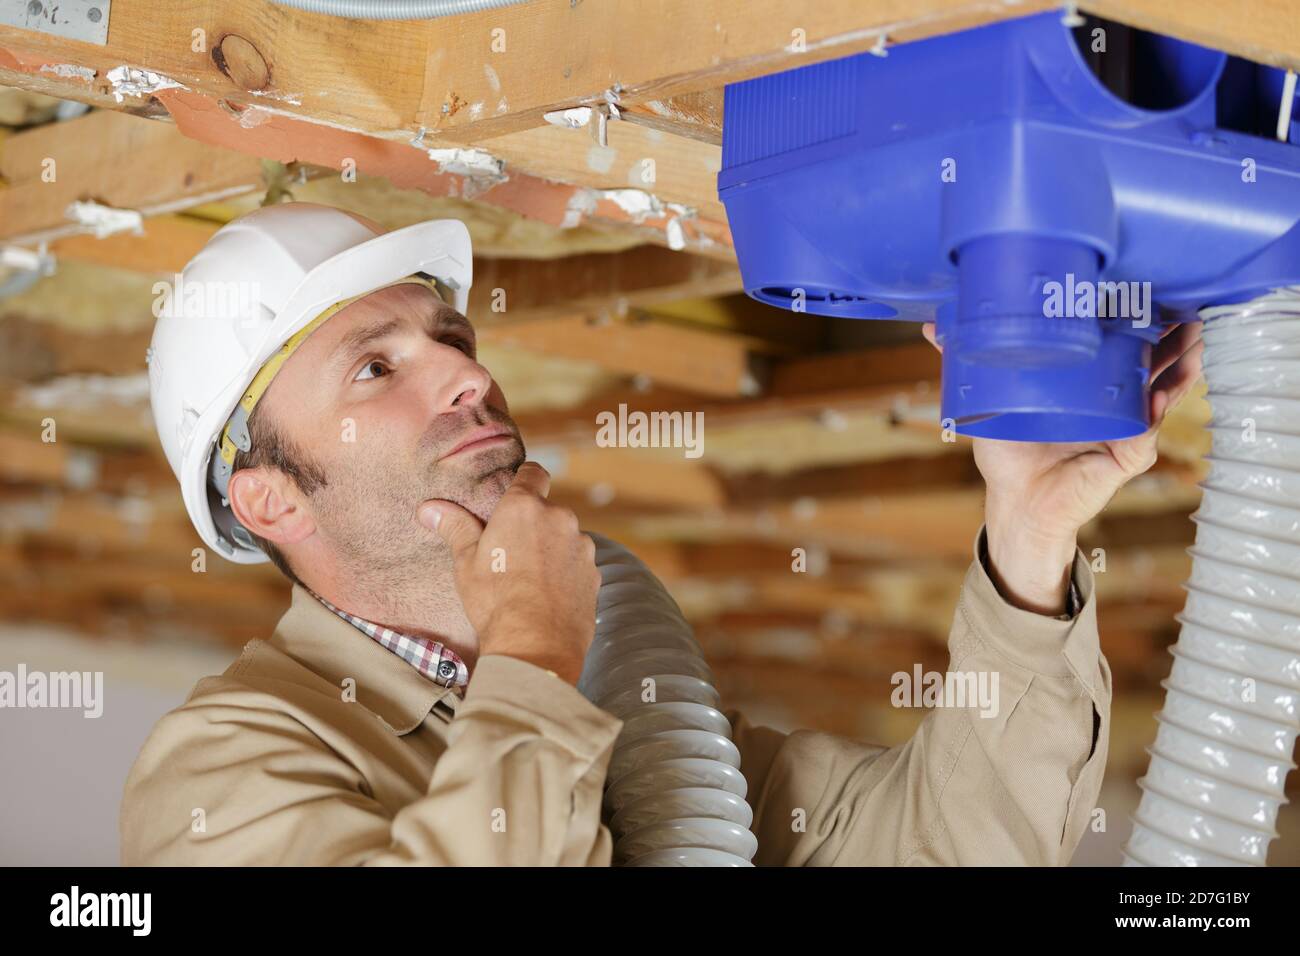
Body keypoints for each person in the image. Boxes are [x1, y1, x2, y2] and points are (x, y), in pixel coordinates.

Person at [121, 202, 1203, 865]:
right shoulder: (223, 771)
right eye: (376, 365)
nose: (468, 371)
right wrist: (531, 654)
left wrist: (1026, 536)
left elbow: (951, 852)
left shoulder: (623, 686)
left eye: (450, 336)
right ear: (269, 499)